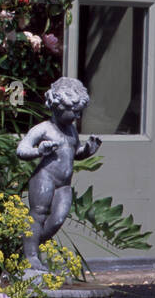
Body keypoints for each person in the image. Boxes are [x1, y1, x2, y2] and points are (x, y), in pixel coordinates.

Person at [15, 76, 100, 274]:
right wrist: (39, 151)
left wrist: (87, 150)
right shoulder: (44, 129)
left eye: (80, 113)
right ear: (58, 106)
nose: (77, 117)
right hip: (45, 177)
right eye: (74, 112)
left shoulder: (71, 130)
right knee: (37, 214)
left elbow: (74, 152)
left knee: (58, 219)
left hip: (64, 184)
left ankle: (26, 245)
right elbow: (22, 149)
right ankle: (31, 256)